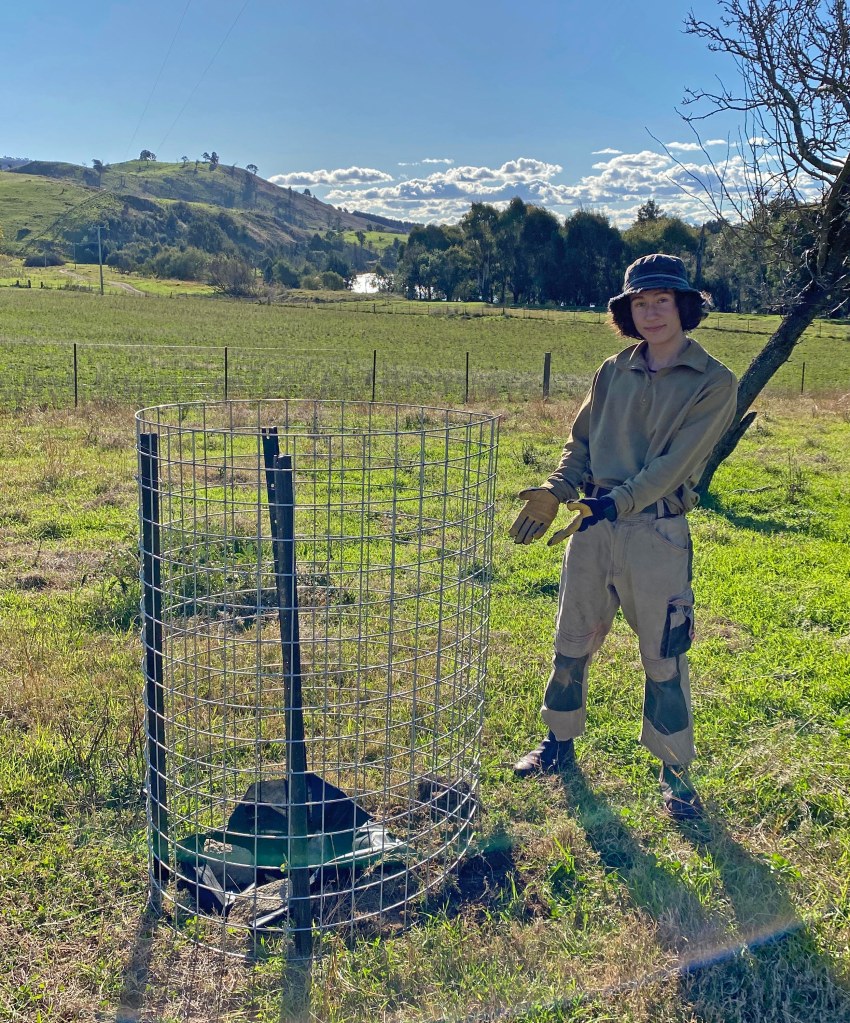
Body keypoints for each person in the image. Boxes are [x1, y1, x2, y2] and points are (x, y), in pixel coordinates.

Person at [509, 253, 737, 821]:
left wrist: (616, 502)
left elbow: (676, 464)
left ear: (684, 306)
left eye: (662, 301)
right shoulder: (612, 370)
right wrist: (557, 487)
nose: (651, 312)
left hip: (654, 530)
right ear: (626, 311)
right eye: (640, 302)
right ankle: (558, 744)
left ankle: (674, 772)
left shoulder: (713, 382)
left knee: (664, 650)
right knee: (572, 640)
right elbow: (580, 441)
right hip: (590, 523)